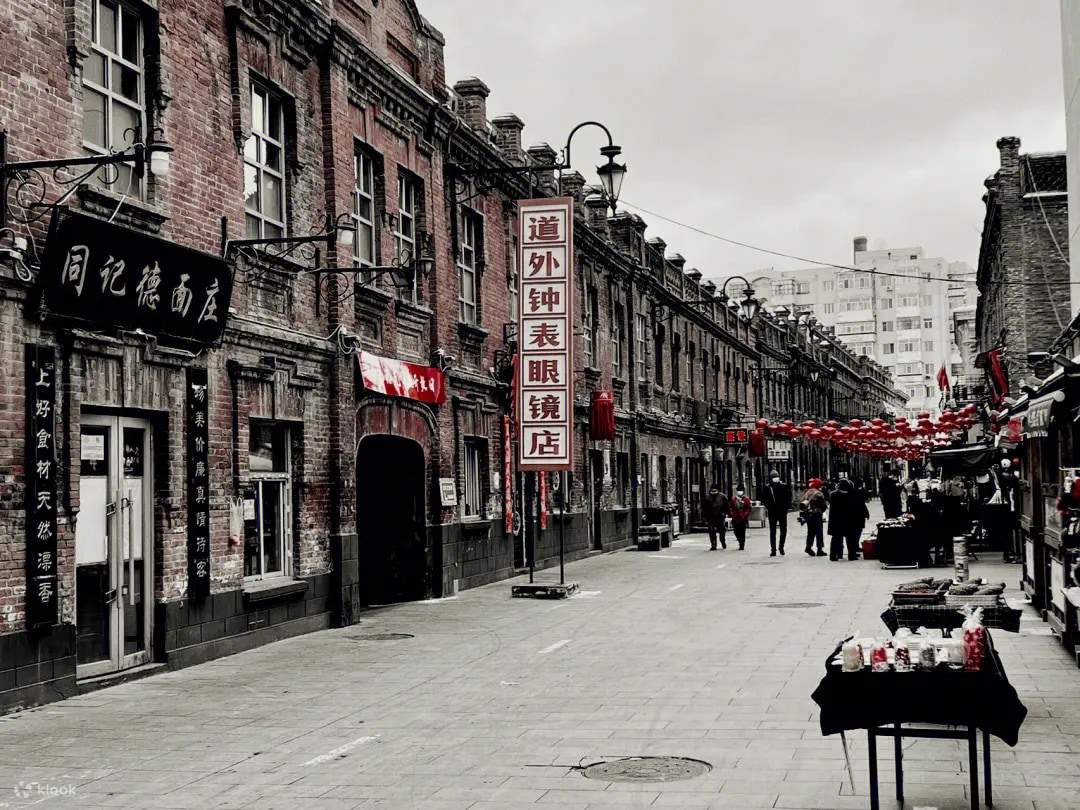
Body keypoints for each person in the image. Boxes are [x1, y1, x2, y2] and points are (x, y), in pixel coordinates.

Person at [828, 478, 870, 561]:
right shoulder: (850, 495)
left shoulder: (833, 495)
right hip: (848, 520)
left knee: (836, 538)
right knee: (850, 539)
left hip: (835, 520)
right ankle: (852, 555)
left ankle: (834, 555)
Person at [761, 469, 793, 556]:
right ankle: (774, 549)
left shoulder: (783, 486)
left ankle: (780, 547)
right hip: (774, 512)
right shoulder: (767, 488)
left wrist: (786, 507)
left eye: (776, 477)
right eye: (774, 477)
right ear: (771, 478)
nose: (776, 478)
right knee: (775, 531)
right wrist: (769, 507)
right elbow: (764, 499)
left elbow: (789, 497)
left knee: (780, 530)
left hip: (779, 511)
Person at [800, 477, 828, 557]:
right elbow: (823, 505)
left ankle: (808, 547)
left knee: (810, 532)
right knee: (819, 532)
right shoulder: (819, 493)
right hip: (817, 514)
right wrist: (821, 511)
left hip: (808, 515)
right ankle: (819, 550)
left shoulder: (807, 492)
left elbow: (802, 501)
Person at [702, 485, 729, 550]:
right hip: (710, 517)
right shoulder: (707, 497)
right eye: (712, 491)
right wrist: (704, 517)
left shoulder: (722, 496)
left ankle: (722, 541)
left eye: (715, 491)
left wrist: (725, 513)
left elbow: (726, 506)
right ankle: (713, 544)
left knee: (722, 531)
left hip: (720, 516)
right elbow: (704, 508)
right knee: (711, 531)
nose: (713, 492)